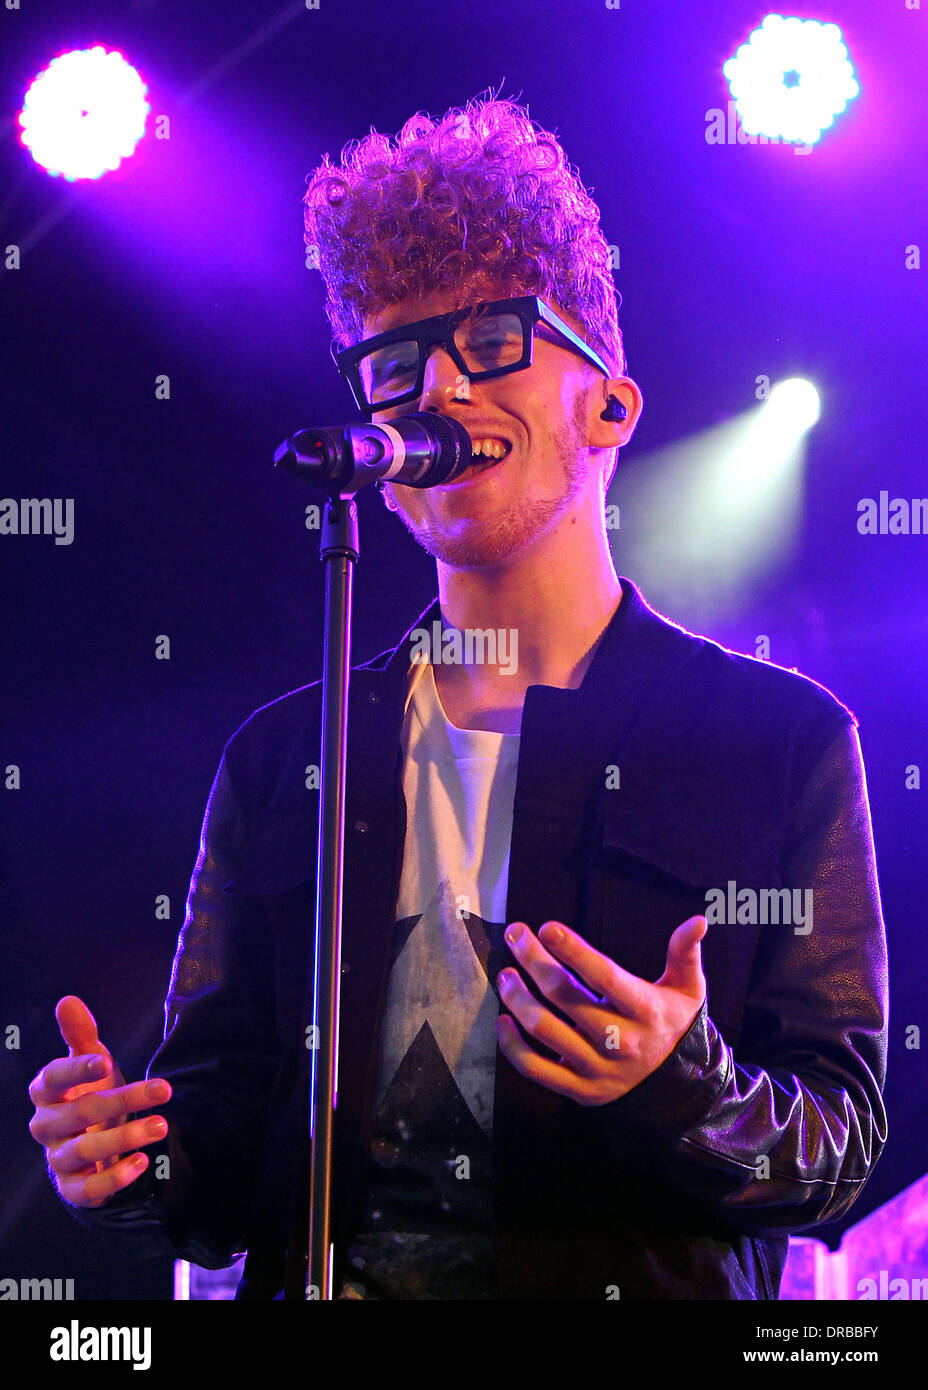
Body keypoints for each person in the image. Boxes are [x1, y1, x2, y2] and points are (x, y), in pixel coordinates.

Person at [27, 92, 888, 1300]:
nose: (436, 387)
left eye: (490, 340)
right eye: (395, 361)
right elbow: (217, 1153)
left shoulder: (778, 740)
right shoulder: (287, 756)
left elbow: (839, 1147)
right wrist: (127, 1165)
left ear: (609, 405)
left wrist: (683, 1081)